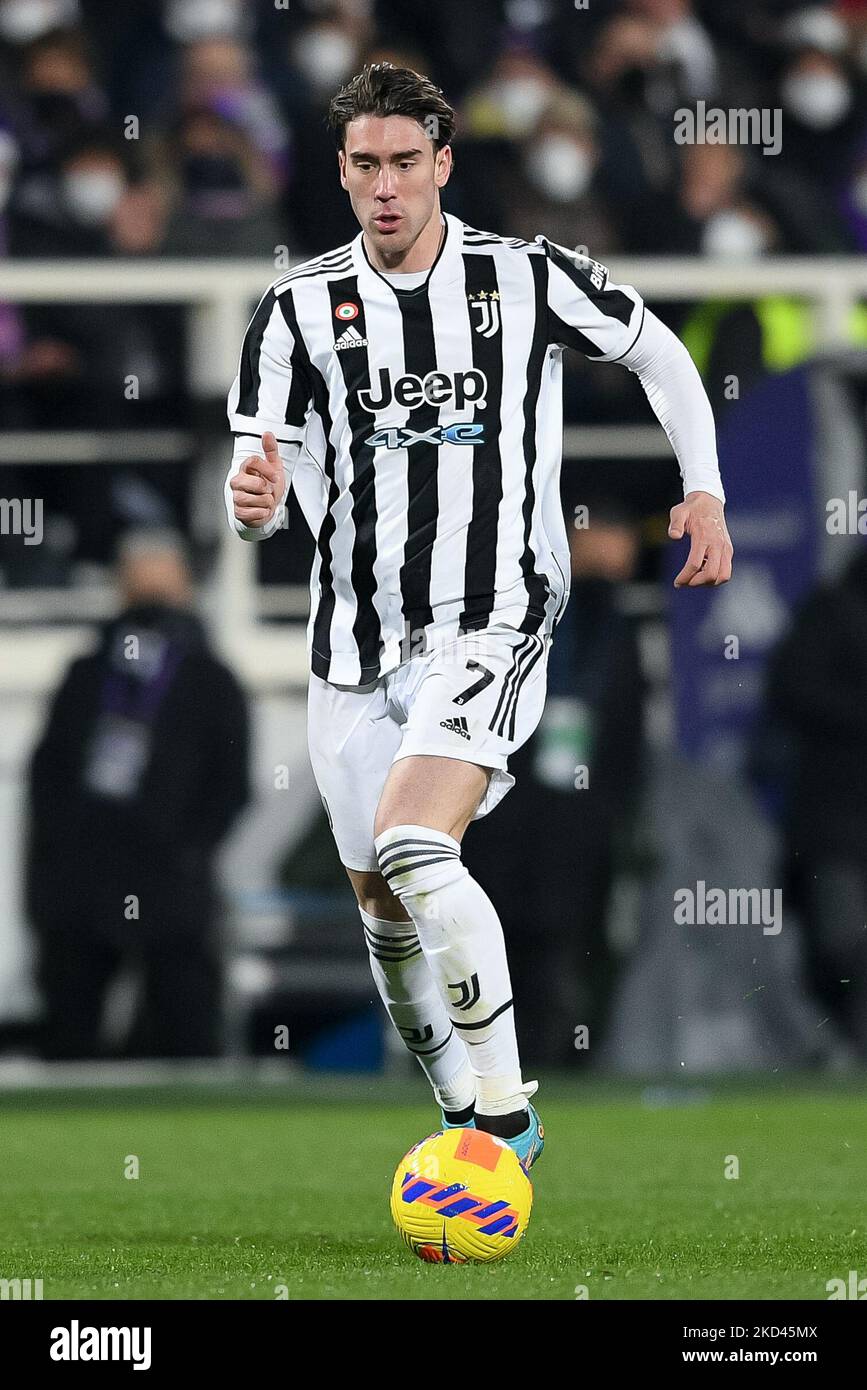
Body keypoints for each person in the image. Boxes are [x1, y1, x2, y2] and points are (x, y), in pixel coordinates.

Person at [224, 63, 732, 1175]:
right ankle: (457, 1105)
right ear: (343, 171)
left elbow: (655, 349)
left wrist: (704, 486)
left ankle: (506, 1113)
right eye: (367, 164)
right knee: (382, 911)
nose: (388, 185)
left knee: (416, 840)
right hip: (353, 642)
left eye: (408, 162)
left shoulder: (526, 276)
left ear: (443, 164)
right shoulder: (295, 307)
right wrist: (251, 507)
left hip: (490, 617)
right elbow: (261, 475)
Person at [26, 530, 249, 1059]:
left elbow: (230, 782)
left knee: (184, 1026)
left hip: (171, 877)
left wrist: (189, 851)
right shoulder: (86, 674)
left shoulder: (211, 680)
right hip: (85, 875)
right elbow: (50, 776)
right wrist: (54, 865)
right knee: (69, 1027)